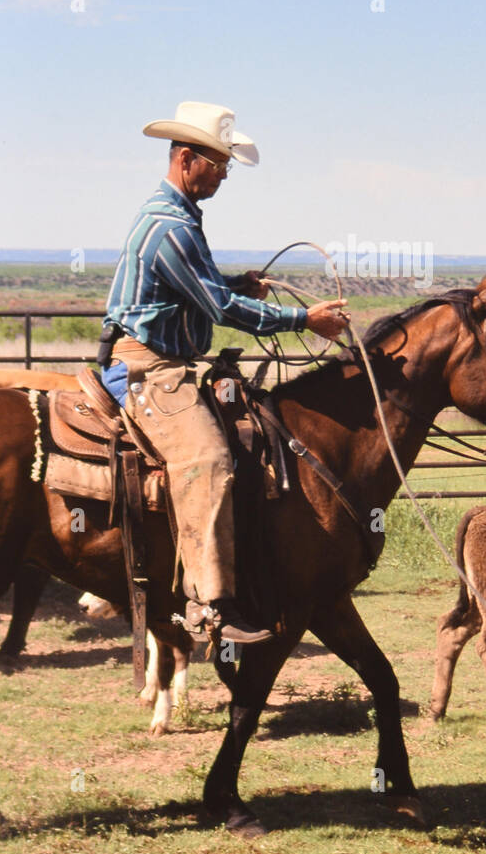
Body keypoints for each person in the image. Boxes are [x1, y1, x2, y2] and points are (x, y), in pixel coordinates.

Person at [98, 101, 347, 645]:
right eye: (219, 163)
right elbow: (218, 310)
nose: (226, 173)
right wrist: (304, 318)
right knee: (207, 458)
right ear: (187, 159)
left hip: (165, 361)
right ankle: (209, 604)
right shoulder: (170, 226)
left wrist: (234, 282)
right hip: (147, 369)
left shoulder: (179, 220)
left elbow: (198, 290)